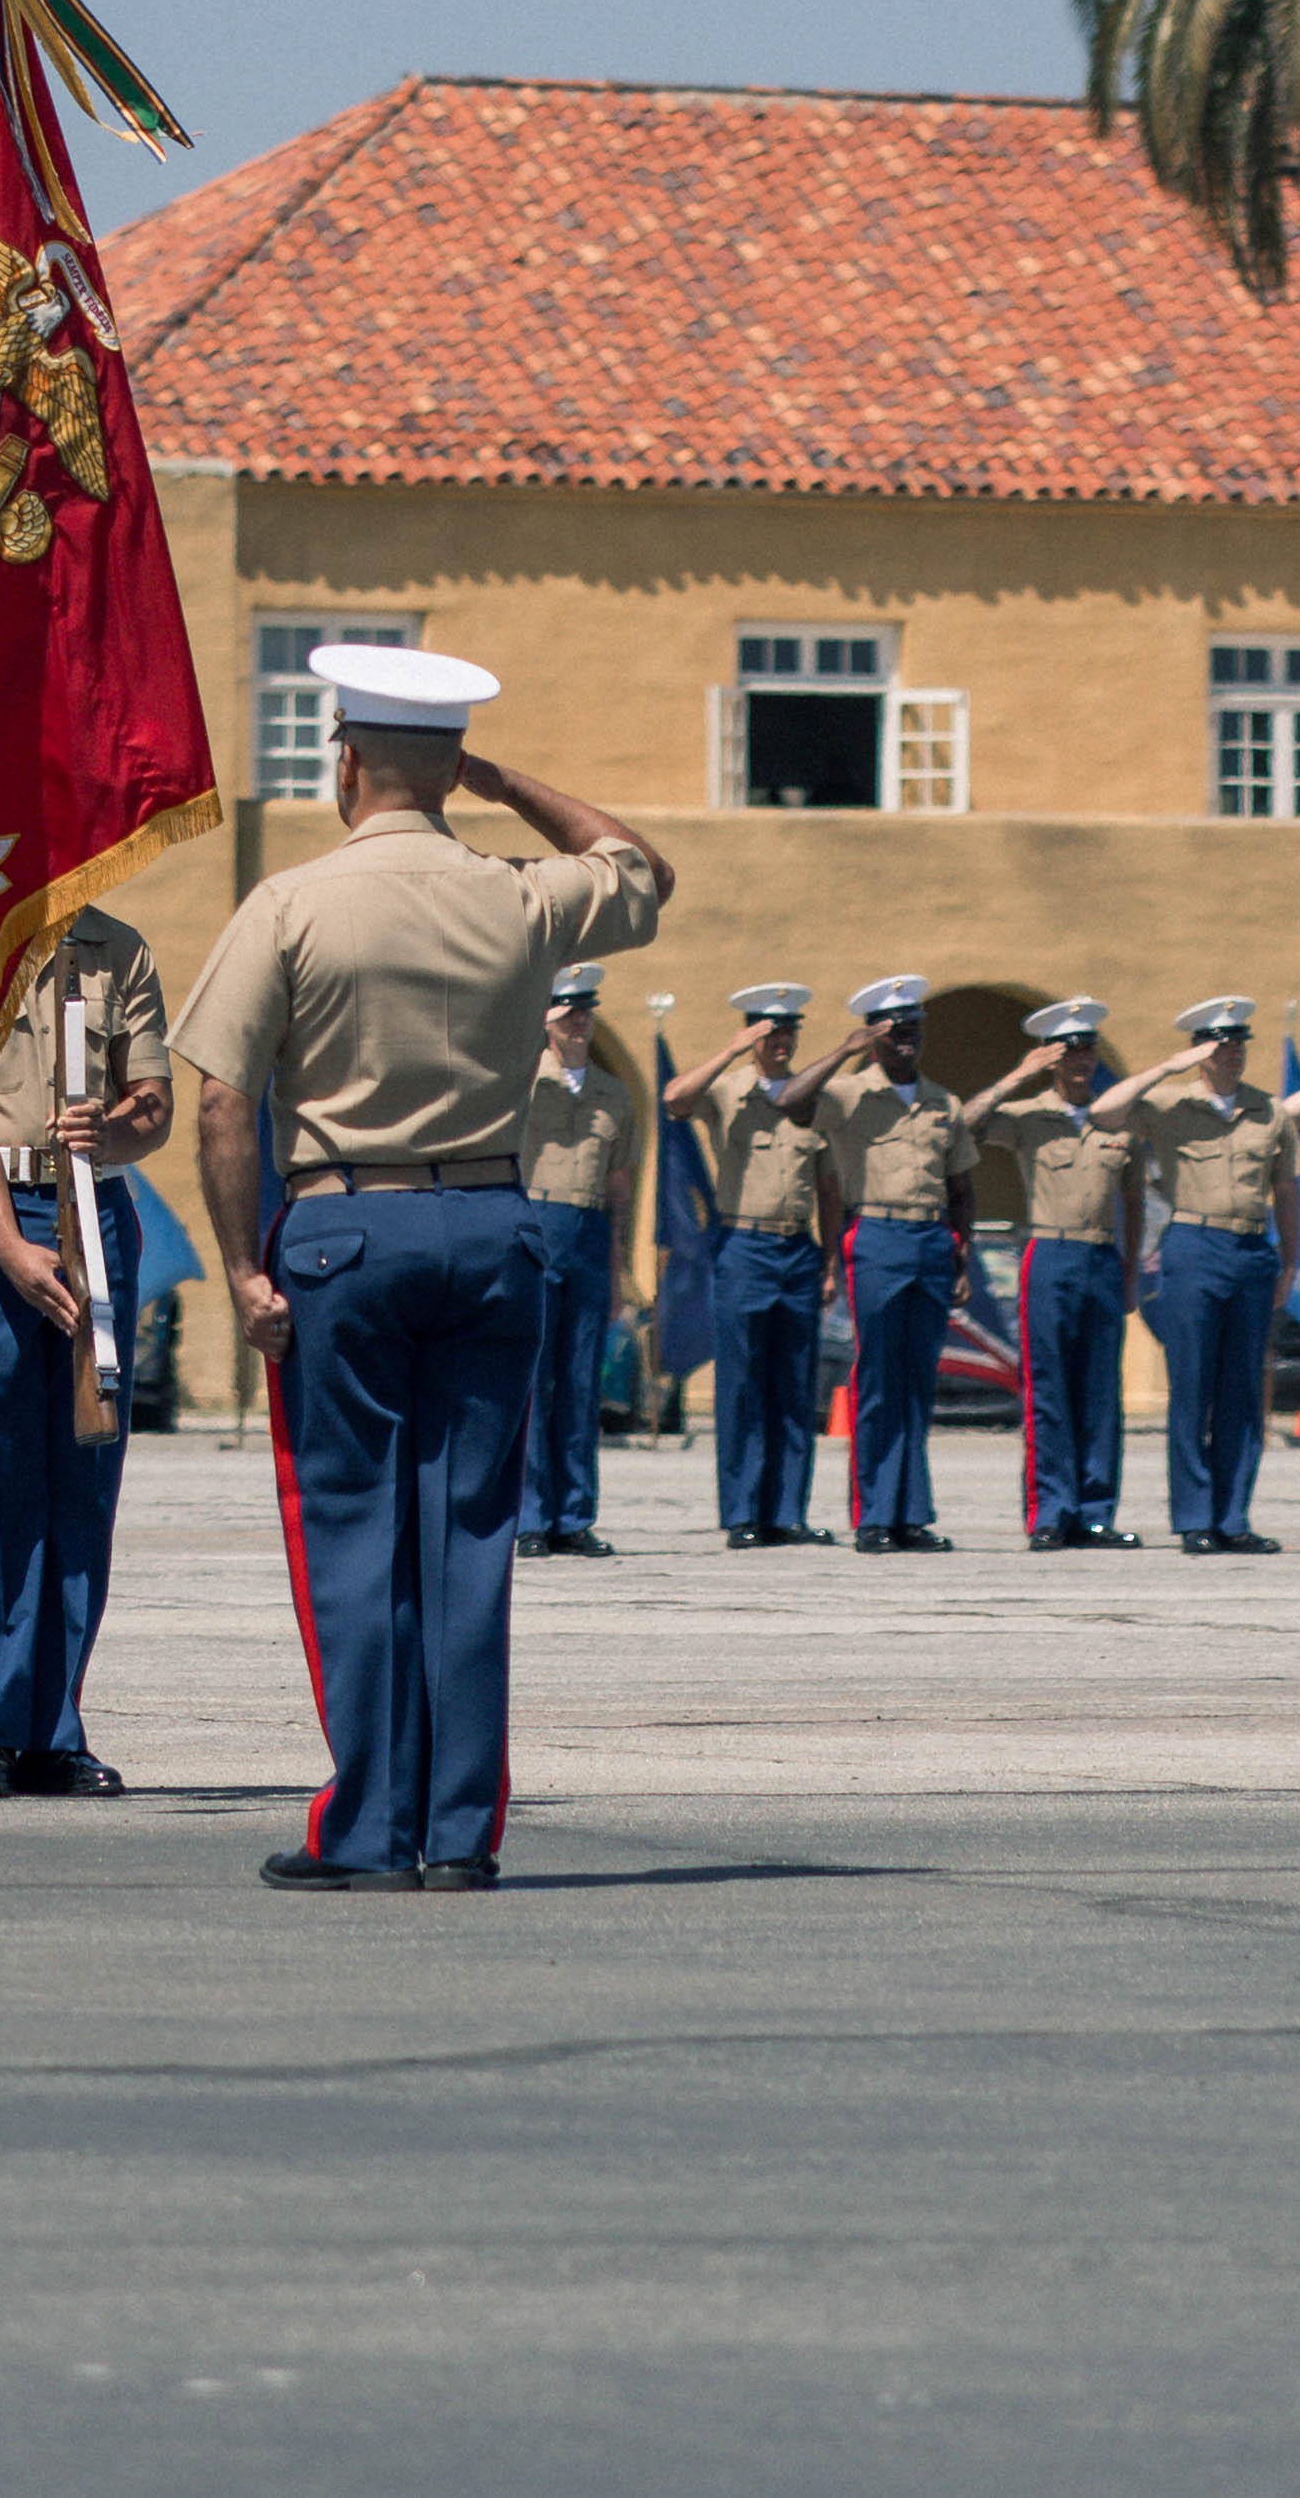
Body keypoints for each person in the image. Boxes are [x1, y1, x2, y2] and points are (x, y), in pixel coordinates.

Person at [174, 643, 670, 1891]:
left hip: (347, 1230)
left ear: (344, 762)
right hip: (494, 1227)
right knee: (467, 1532)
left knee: (353, 1531)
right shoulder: (517, 895)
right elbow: (642, 870)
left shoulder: (289, 904)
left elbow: (225, 1105)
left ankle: (368, 1827)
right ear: (449, 766)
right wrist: (502, 785)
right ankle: (457, 1833)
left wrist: (243, 1268)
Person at [0, 887, 164, 1798]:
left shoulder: (117, 948)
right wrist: (11, 1245)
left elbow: (154, 1105)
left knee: (82, 1476)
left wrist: (122, 1126)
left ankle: (57, 1724)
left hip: (93, 1207)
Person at [1097, 998, 1287, 1554]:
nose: (1232, 1054)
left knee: (1241, 1392)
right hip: (1192, 1244)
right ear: (1201, 1049)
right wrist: (1167, 1068)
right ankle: (1194, 1518)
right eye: (1220, 1045)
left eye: (1239, 1044)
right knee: (1192, 1387)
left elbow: (1289, 1189)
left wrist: (1292, 1262)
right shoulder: (1170, 1103)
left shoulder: (1267, 1110)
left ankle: (1233, 1517)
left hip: (1251, 1248)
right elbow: (1106, 1114)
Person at [960, 1001, 1139, 1551]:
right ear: (1052, 1058)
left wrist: (1129, 1270)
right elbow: (963, 1125)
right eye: (1068, 1051)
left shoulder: (1116, 1120)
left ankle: (1095, 1511)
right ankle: (1049, 1511)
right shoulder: (1030, 1116)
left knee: (1101, 1392)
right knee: (1049, 1389)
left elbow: (1132, 1200)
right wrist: (1020, 1074)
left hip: (1101, 1257)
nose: (1080, 1059)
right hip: (1050, 1252)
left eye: (1086, 1048)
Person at [663, 984, 834, 1545]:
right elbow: (675, 1101)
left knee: (793, 1385)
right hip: (744, 1245)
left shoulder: (814, 1097)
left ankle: (786, 1513)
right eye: (769, 1030)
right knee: (741, 1386)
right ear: (753, 1032)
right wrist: (731, 1051)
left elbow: (829, 1187)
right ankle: (741, 1514)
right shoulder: (729, 1089)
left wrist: (829, 1259)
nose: (780, 1041)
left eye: (788, 1031)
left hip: (797, 1249)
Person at [813, 975, 977, 1555]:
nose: (909, 1040)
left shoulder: (944, 1102)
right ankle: (874, 1514)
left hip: (931, 1240)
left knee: (916, 1384)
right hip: (876, 1235)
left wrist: (962, 1257)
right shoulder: (850, 1094)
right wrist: (843, 1051)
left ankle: (911, 1514)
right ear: (876, 1036)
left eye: (915, 1030)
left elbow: (961, 1188)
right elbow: (789, 1102)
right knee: (879, 1380)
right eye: (896, 1030)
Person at [512, 966, 628, 1558]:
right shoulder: (523, 1080)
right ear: (547, 1019)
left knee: (581, 1383)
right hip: (534, 1223)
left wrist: (617, 1265)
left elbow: (617, 1187)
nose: (579, 1020)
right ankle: (530, 1517)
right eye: (566, 1011)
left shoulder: (613, 1095)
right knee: (532, 1380)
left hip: (586, 1230)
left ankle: (574, 1515)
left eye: (586, 1010)